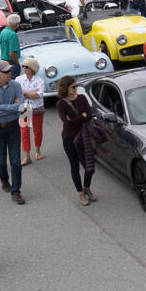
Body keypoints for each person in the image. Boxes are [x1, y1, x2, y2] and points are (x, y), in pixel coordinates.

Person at [0, 60, 26, 204]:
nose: (10, 73)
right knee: (0, 160)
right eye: (6, 71)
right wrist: (12, 106)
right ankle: (4, 179)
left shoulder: (16, 86)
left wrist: (0, 107)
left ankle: (16, 191)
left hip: (13, 127)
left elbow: (21, 107)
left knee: (15, 161)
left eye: (10, 71)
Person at [54, 76, 98, 206]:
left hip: (84, 136)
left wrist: (76, 118)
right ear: (65, 88)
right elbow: (67, 123)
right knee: (75, 166)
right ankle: (80, 193)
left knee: (89, 166)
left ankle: (86, 187)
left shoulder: (82, 98)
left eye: (76, 86)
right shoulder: (61, 104)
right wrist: (81, 116)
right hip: (69, 138)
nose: (76, 88)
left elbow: (89, 115)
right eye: (73, 87)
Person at [18, 57, 45, 165]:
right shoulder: (19, 79)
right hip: (24, 107)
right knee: (24, 132)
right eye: (23, 66)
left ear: (33, 68)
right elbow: (17, 93)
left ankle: (37, 151)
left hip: (37, 108)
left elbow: (39, 95)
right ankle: (27, 157)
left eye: (26, 66)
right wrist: (31, 94)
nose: (24, 68)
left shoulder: (40, 81)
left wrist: (25, 93)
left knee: (37, 131)